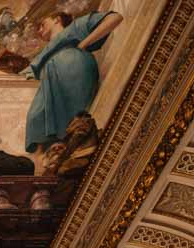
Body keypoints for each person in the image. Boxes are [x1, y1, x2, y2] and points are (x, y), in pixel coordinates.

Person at [22, 10, 122, 156]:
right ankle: (57, 152)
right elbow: (25, 73)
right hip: (50, 83)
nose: (39, 30)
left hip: (73, 66)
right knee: (34, 117)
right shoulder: (44, 52)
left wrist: (84, 44)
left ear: (57, 19)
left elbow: (115, 18)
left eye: (42, 24)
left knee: (74, 112)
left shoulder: (75, 27)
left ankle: (78, 142)